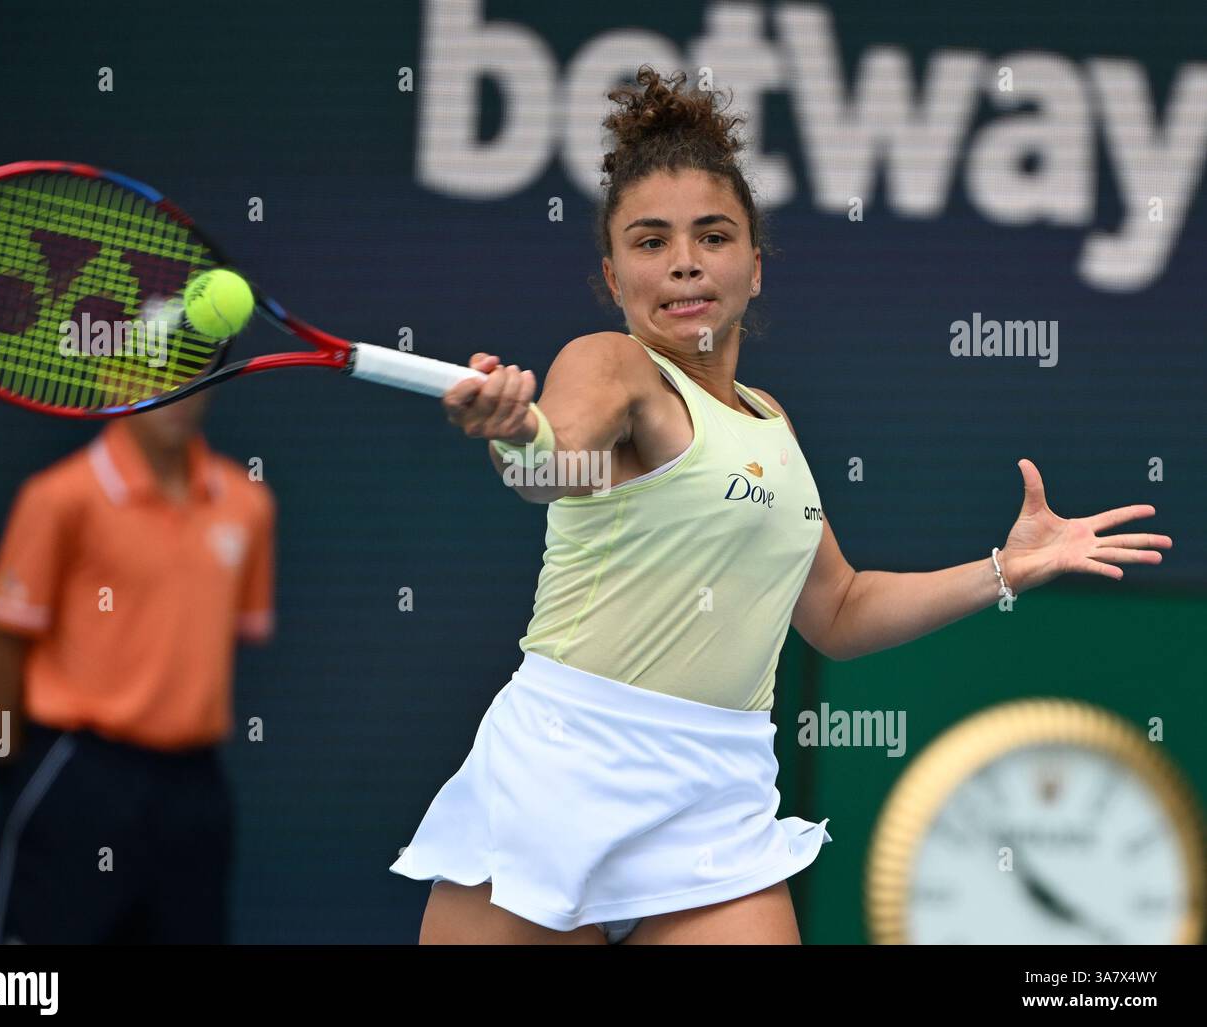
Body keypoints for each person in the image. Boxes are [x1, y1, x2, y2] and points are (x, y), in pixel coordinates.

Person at [390, 66, 1172, 945]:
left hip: (720, 794)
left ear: (755, 267)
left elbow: (837, 610)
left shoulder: (771, 422)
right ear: (614, 277)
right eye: (650, 242)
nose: (684, 259)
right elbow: (555, 463)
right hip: (559, 771)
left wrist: (1005, 569)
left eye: (712, 236)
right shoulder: (612, 363)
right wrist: (514, 434)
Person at [0, 393, 276, 944]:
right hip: (79, 775)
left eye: (192, 370)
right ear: (116, 380)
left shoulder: (247, 503)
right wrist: (13, 765)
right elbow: (1, 640)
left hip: (195, 789)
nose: (179, 392)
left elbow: (226, 633)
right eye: (155, 369)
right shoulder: (58, 498)